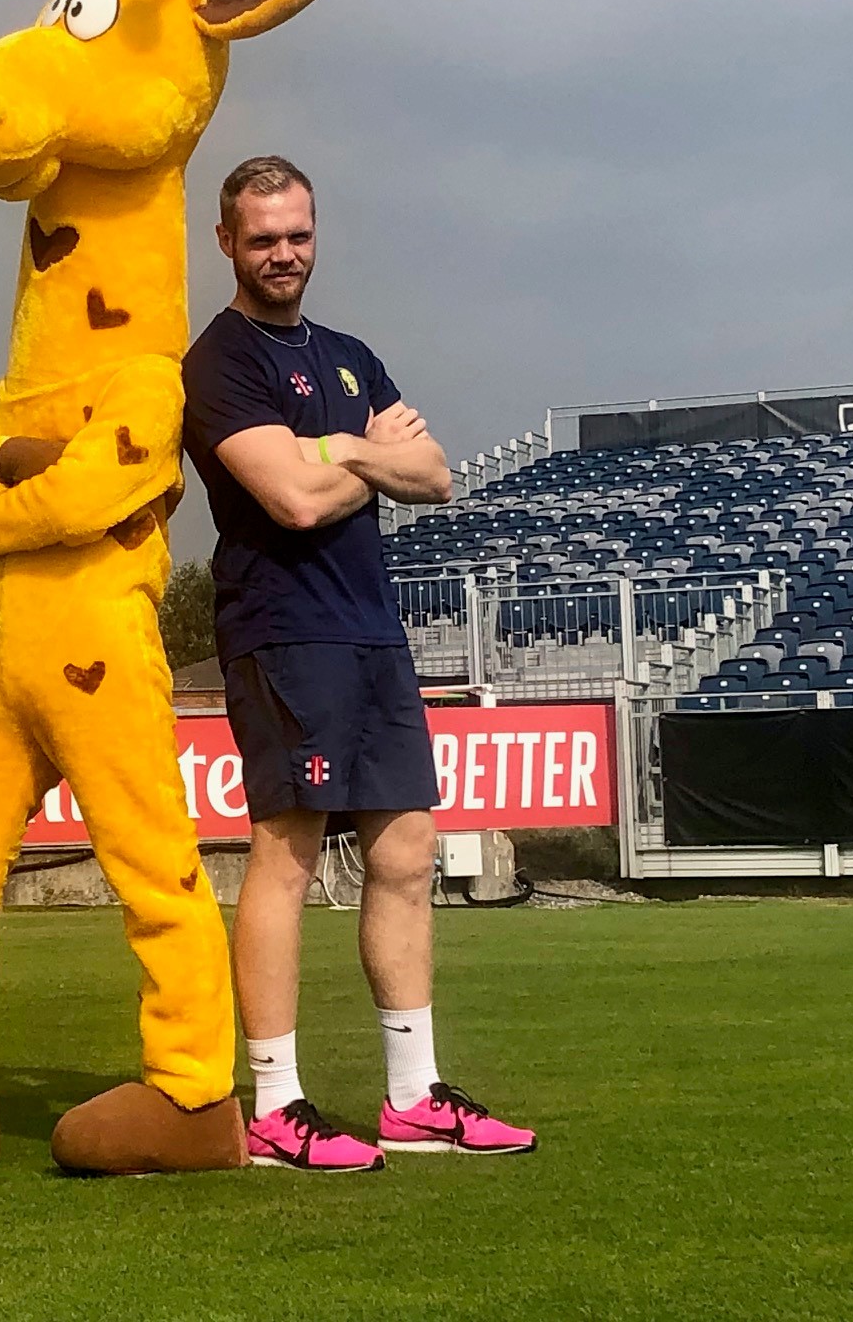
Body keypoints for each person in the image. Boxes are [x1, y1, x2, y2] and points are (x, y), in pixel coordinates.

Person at [181, 155, 537, 1172]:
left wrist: (328, 451)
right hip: (286, 630)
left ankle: (414, 1097)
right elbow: (288, 503)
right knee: (286, 856)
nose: (284, 253)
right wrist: (357, 453)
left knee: (403, 852)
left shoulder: (347, 353)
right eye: (262, 239)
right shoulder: (219, 362)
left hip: (373, 629)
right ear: (227, 244)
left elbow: (433, 474)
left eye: (297, 234)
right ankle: (275, 1102)